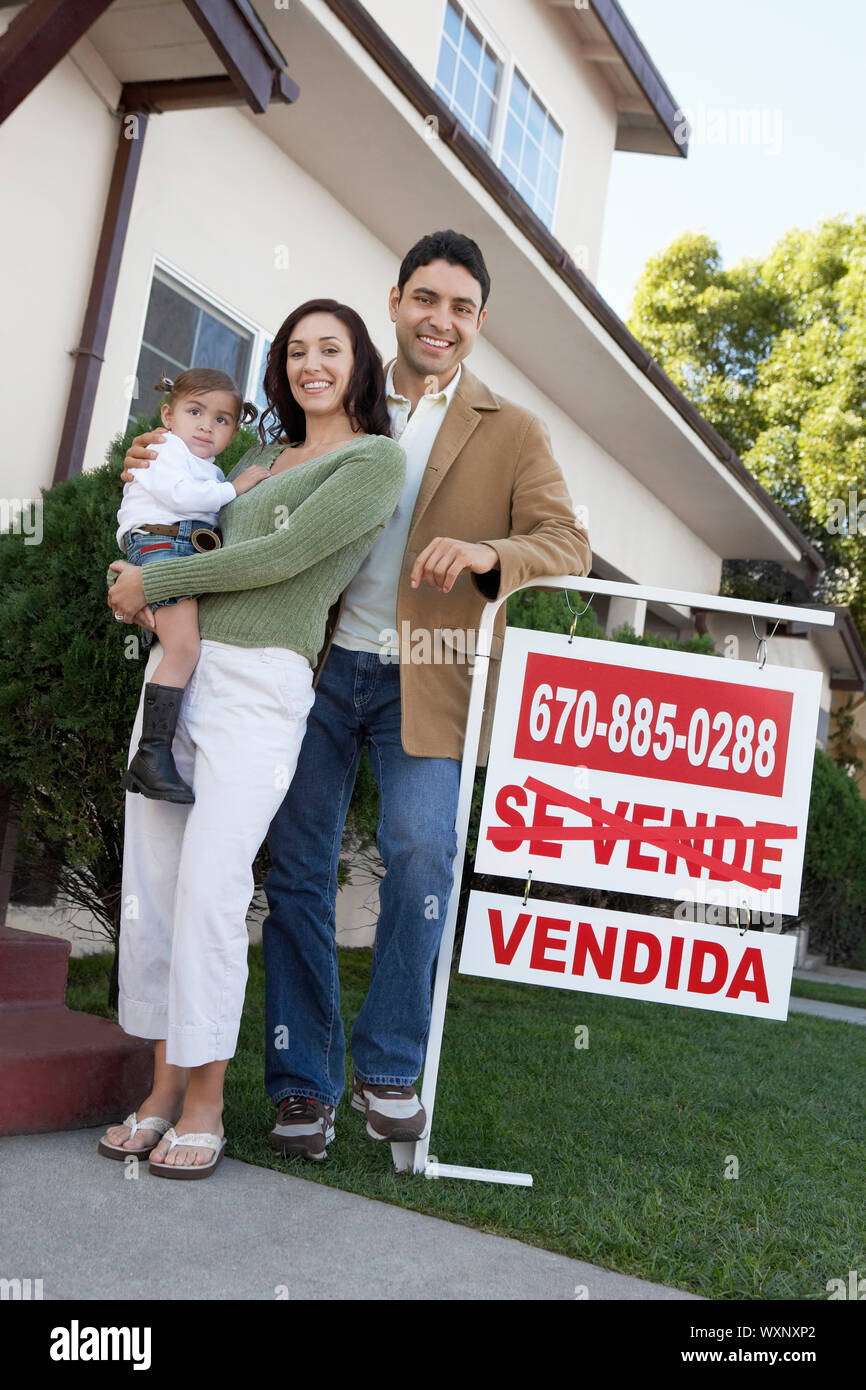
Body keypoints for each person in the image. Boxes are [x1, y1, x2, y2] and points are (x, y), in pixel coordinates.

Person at [122, 230, 592, 1164]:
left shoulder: (511, 428)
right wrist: (167, 467)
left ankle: (389, 1063)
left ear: (479, 322)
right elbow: (233, 504)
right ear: (396, 302)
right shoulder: (337, 408)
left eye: (461, 307)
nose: (440, 319)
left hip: (427, 661)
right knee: (296, 869)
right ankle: (301, 1084)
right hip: (321, 661)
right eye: (426, 299)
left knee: (421, 852)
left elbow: (566, 542)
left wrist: (492, 555)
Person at [100, 300, 405, 1178]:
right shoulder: (258, 461)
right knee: (154, 886)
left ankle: (205, 1103)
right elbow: (176, 509)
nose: (312, 364)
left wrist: (154, 580)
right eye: (297, 350)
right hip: (180, 674)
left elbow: (285, 557)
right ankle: (161, 1091)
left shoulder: (372, 460)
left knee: (211, 886)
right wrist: (147, 468)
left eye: (331, 349)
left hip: (262, 685)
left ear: (359, 364)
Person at [115, 368, 270, 803]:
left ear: (234, 430)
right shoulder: (163, 450)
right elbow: (183, 497)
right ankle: (151, 756)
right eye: (195, 411)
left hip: (175, 546)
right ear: (168, 415)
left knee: (178, 643)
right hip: (162, 542)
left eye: (222, 419)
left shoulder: (208, 467)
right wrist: (235, 489)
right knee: (184, 649)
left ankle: (156, 754)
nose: (207, 425)